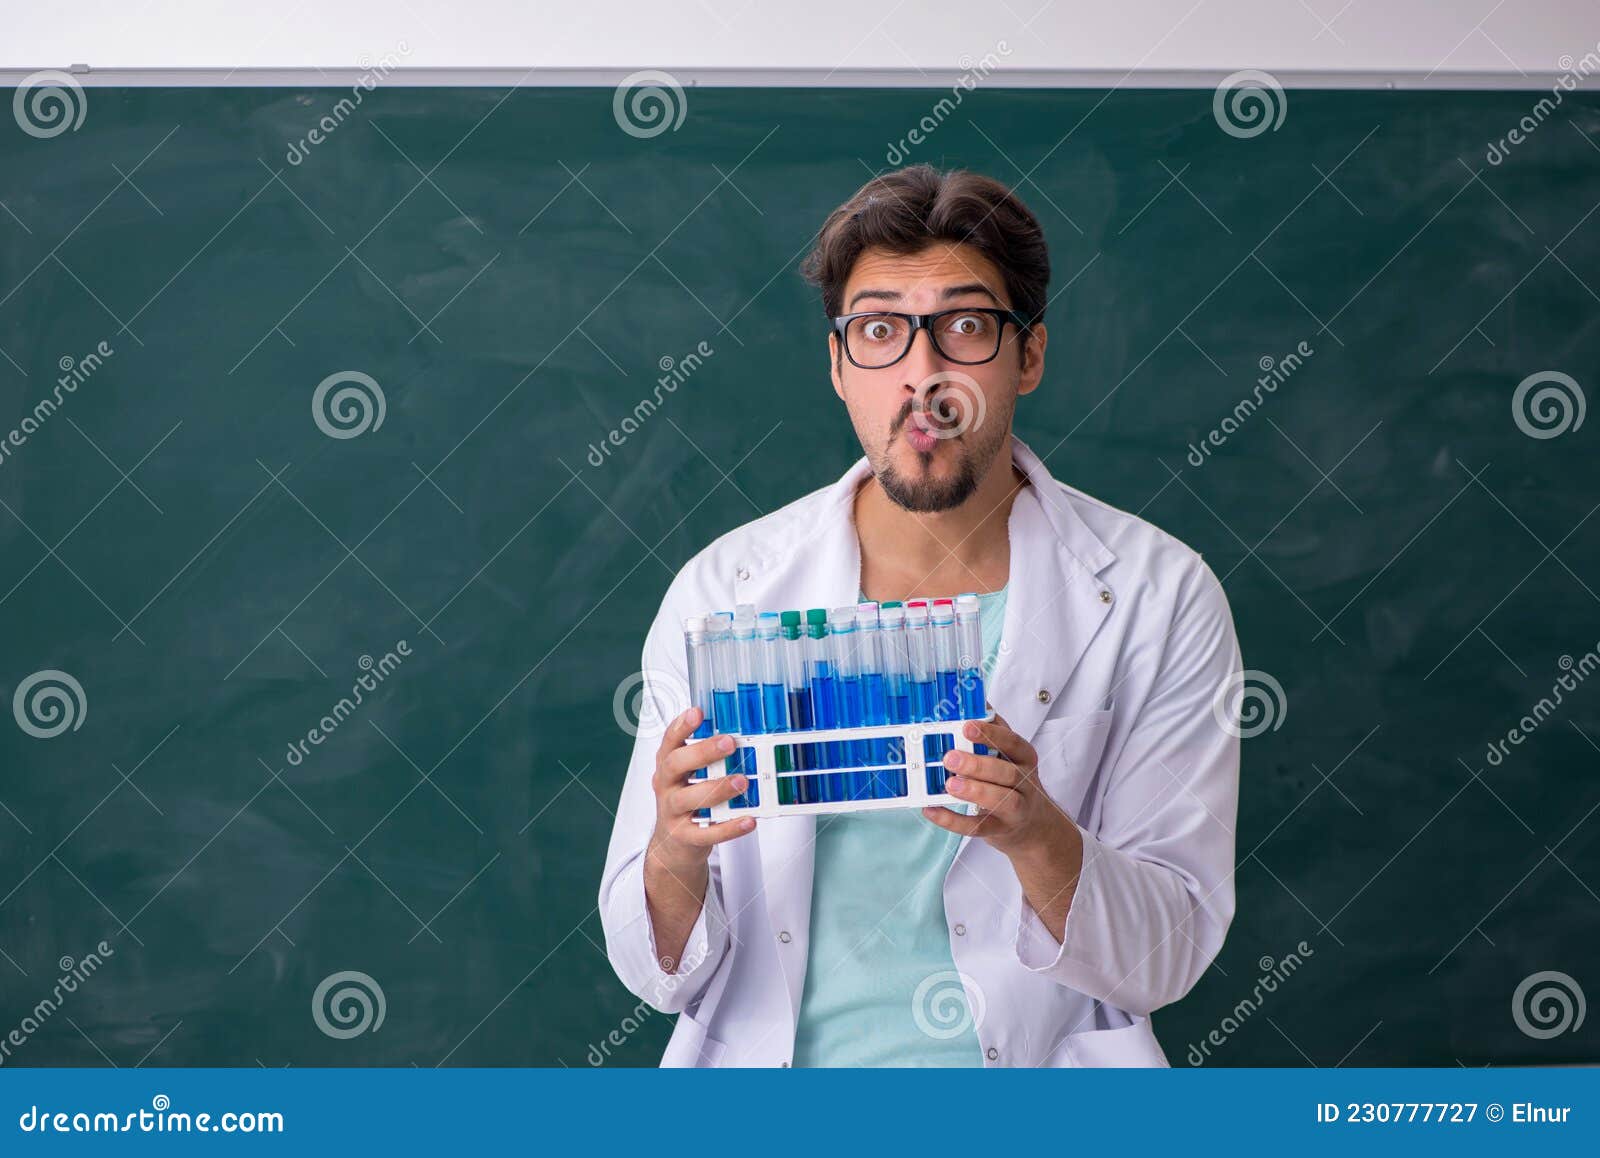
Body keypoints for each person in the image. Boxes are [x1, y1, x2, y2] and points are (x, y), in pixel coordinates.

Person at [598, 163, 1242, 1067]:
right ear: (838, 366)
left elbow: (1166, 956)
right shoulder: (723, 592)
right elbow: (648, 968)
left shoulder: (1158, 595)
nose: (922, 376)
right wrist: (672, 850)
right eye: (879, 333)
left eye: (967, 328)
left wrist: (1036, 833)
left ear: (1030, 355)